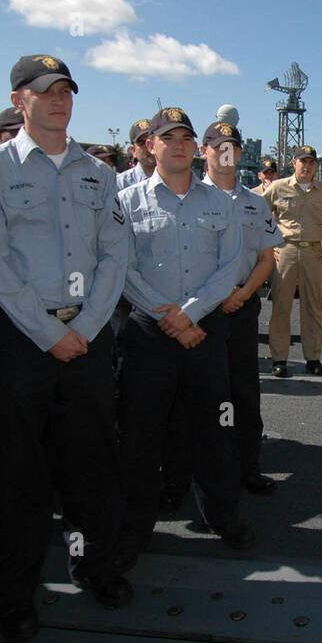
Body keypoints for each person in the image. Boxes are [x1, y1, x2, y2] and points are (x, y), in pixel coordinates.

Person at [0, 54, 132, 643]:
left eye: (66, 91)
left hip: (84, 336)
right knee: (15, 473)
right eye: (45, 91)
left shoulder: (98, 173)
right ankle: (13, 594)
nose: (58, 100)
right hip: (20, 338)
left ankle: (97, 567)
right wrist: (48, 332)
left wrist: (85, 326)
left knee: (91, 461)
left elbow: (115, 253)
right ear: (18, 100)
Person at [114, 108, 255, 554]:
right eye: (166, 137)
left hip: (204, 330)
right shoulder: (126, 202)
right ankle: (135, 528)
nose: (177, 144)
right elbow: (121, 268)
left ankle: (223, 517)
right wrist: (166, 317)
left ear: (196, 148)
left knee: (214, 430)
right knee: (141, 435)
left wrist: (189, 314)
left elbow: (228, 265)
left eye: (185, 138)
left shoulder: (220, 203)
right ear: (149, 146)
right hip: (147, 332)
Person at [200, 121, 282, 492]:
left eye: (232, 146)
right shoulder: (190, 198)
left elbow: (267, 257)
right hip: (200, 310)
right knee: (200, 393)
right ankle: (195, 475)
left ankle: (248, 467)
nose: (226, 152)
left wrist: (244, 294)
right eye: (219, 146)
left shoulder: (255, 202)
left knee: (245, 391)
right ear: (205, 151)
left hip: (242, 305)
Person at [263, 145, 322, 378]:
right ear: (294, 163)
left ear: (315, 166)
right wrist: (268, 246)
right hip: (285, 250)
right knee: (281, 306)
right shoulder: (278, 188)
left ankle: (313, 357)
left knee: (314, 306)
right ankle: (279, 358)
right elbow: (259, 216)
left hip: (314, 252)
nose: (307, 166)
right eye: (302, 162)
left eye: (311, 162)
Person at [117, 118, 155, 193]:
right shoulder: (119, 184)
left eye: (152, 140)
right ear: (133, 150)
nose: (149, 147)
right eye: (142, 143)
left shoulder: (178, 179)